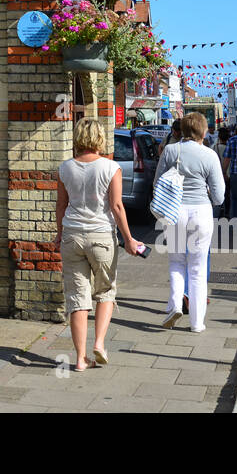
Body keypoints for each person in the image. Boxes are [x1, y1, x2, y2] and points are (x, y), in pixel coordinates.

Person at [56, 118, 146, 371]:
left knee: (77, 298)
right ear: (99, 138)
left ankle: (80, 359)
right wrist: (128, 239)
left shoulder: (65, 168)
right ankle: (99, 344)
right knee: (105, 291)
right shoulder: (111, 167)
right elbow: (117, 206)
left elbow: (61, 206)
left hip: (72, 235)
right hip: (102, 236)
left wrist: (58, 233)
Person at [154, 112, 225, 332]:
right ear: (204, 131)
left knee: (176, 262)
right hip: (200, 212)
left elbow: (157, 182)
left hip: (174, 212)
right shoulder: (210, 155)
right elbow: (219, 195)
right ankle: (196, 323)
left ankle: (175, 305)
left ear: (182, 130)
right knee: (197, 267)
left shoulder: (170, 150)